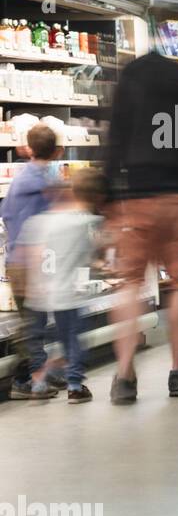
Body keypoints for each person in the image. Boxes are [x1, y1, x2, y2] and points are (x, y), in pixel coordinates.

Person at [104, 48, 178, 404]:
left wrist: (107, 195)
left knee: (129, 285)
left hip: (136, 196)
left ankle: (124, 375)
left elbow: (115, 138)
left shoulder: (130, 77)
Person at [17, 168, 107, 403]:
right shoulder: (86, 221)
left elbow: (33, 254)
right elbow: (96, 251)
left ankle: (38, 383)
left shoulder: (39, 222)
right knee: (73, 341)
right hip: (69, 294)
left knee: (42, 339)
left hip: (44, 292)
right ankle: (75, 385)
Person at [0, 124, 62, 399]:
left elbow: (6, 213)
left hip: (18, 259)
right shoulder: (47, 182)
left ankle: (30, 375)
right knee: (34, 324)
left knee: (33, 321)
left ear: (28, 149)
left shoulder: (22, 179)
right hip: (31, 262)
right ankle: (32, 381)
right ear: (58, 150)